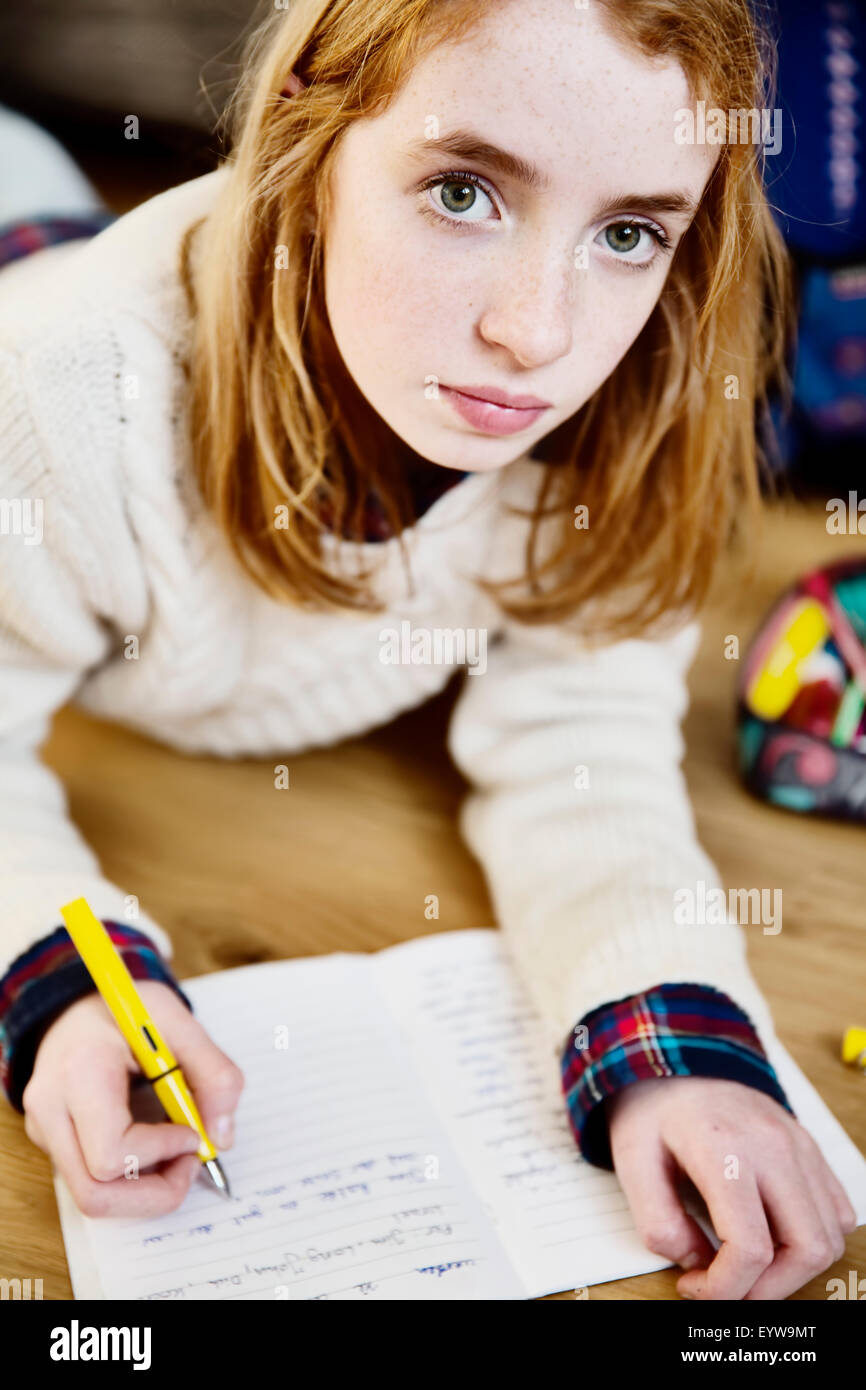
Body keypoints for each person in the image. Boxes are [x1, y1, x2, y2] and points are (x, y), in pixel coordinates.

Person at [0, 0, 856, 1300]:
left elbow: (582, 743)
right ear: (307, 129)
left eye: (627, 232)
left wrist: (668, 1033)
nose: (537, 330)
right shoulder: (63, 390)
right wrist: (61, 985)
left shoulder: (630, 394)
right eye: (464, 190)